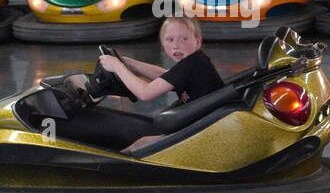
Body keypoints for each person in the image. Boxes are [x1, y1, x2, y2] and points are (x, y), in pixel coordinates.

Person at [68, 15, 226, 151]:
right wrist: (130, 64)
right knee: (143, 140)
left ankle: (109, 166)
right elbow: (167, 76)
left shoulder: (192, 63)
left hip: (205, 130)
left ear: (197, 41)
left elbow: (145, 93)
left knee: (141, 144)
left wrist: (117, 66)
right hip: (202, 123)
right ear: (162, 43)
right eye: (170, 40)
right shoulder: (195, 62)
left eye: (184, 39)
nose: (176, 45)